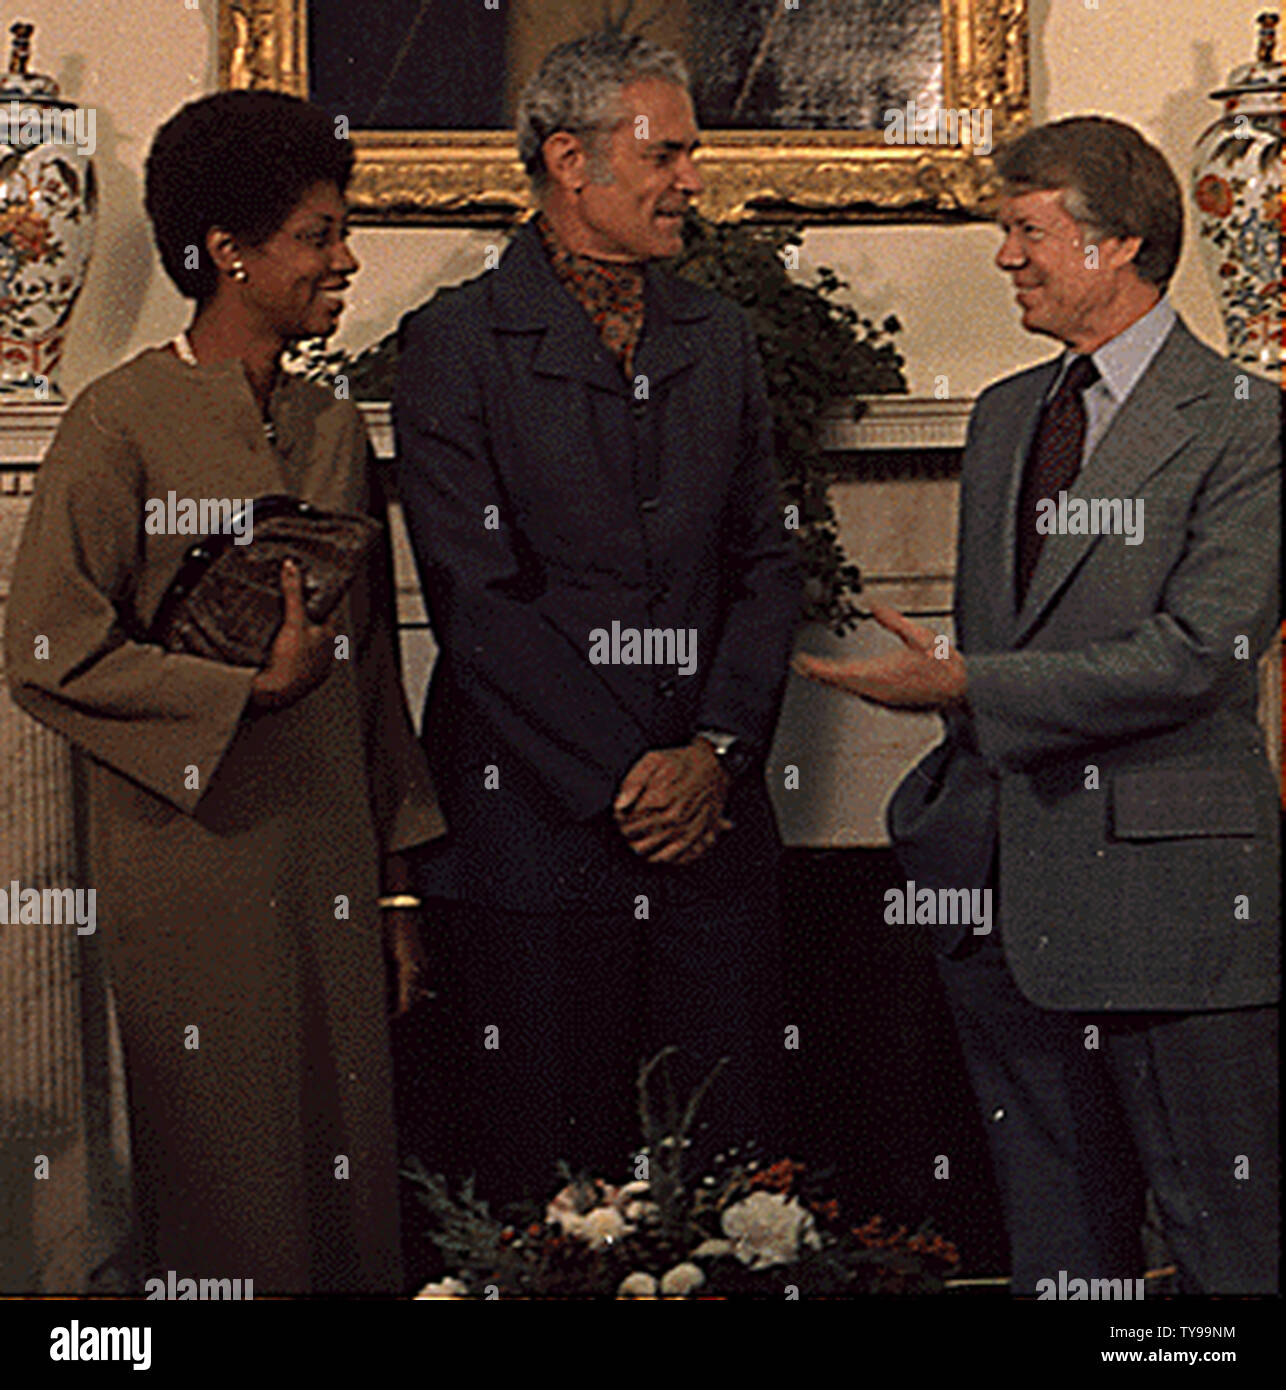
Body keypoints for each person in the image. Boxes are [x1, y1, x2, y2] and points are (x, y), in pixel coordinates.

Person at [796, 116, 1279, 1295]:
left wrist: (968, 682)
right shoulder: (1008, 412)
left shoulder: (1243, 418)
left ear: (1118, 243)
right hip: (1000, 891)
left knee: (1222, 1246)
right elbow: (1019, 634)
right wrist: (957, 697)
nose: (1003, 256)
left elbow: (1198, 654)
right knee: (1058, 1258)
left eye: (1025, 230)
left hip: (1169, 905)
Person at [4, 90, 445, 1294]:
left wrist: (396, 888)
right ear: (228, 253)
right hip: (192, 864)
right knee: (228, 1185)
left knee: (349, 1177)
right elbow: (45, 649)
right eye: (317, 235)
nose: (344, 260)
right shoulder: (116, 424)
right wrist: (240, 689)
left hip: (331, 858)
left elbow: (372, 678)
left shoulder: (332, 426)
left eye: (342, 232)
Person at [393, 31, 799, 1206]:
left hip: (712, 834)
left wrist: (713, 756)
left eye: (689, 154)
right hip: (535, 839)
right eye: (665, 153)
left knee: (732, 1191)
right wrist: (631, 780)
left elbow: (765, 565)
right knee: (551, 1196)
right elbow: (476, 601)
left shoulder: (716, 336)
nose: (690, 179)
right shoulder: (454, 343)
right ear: (570, 161)